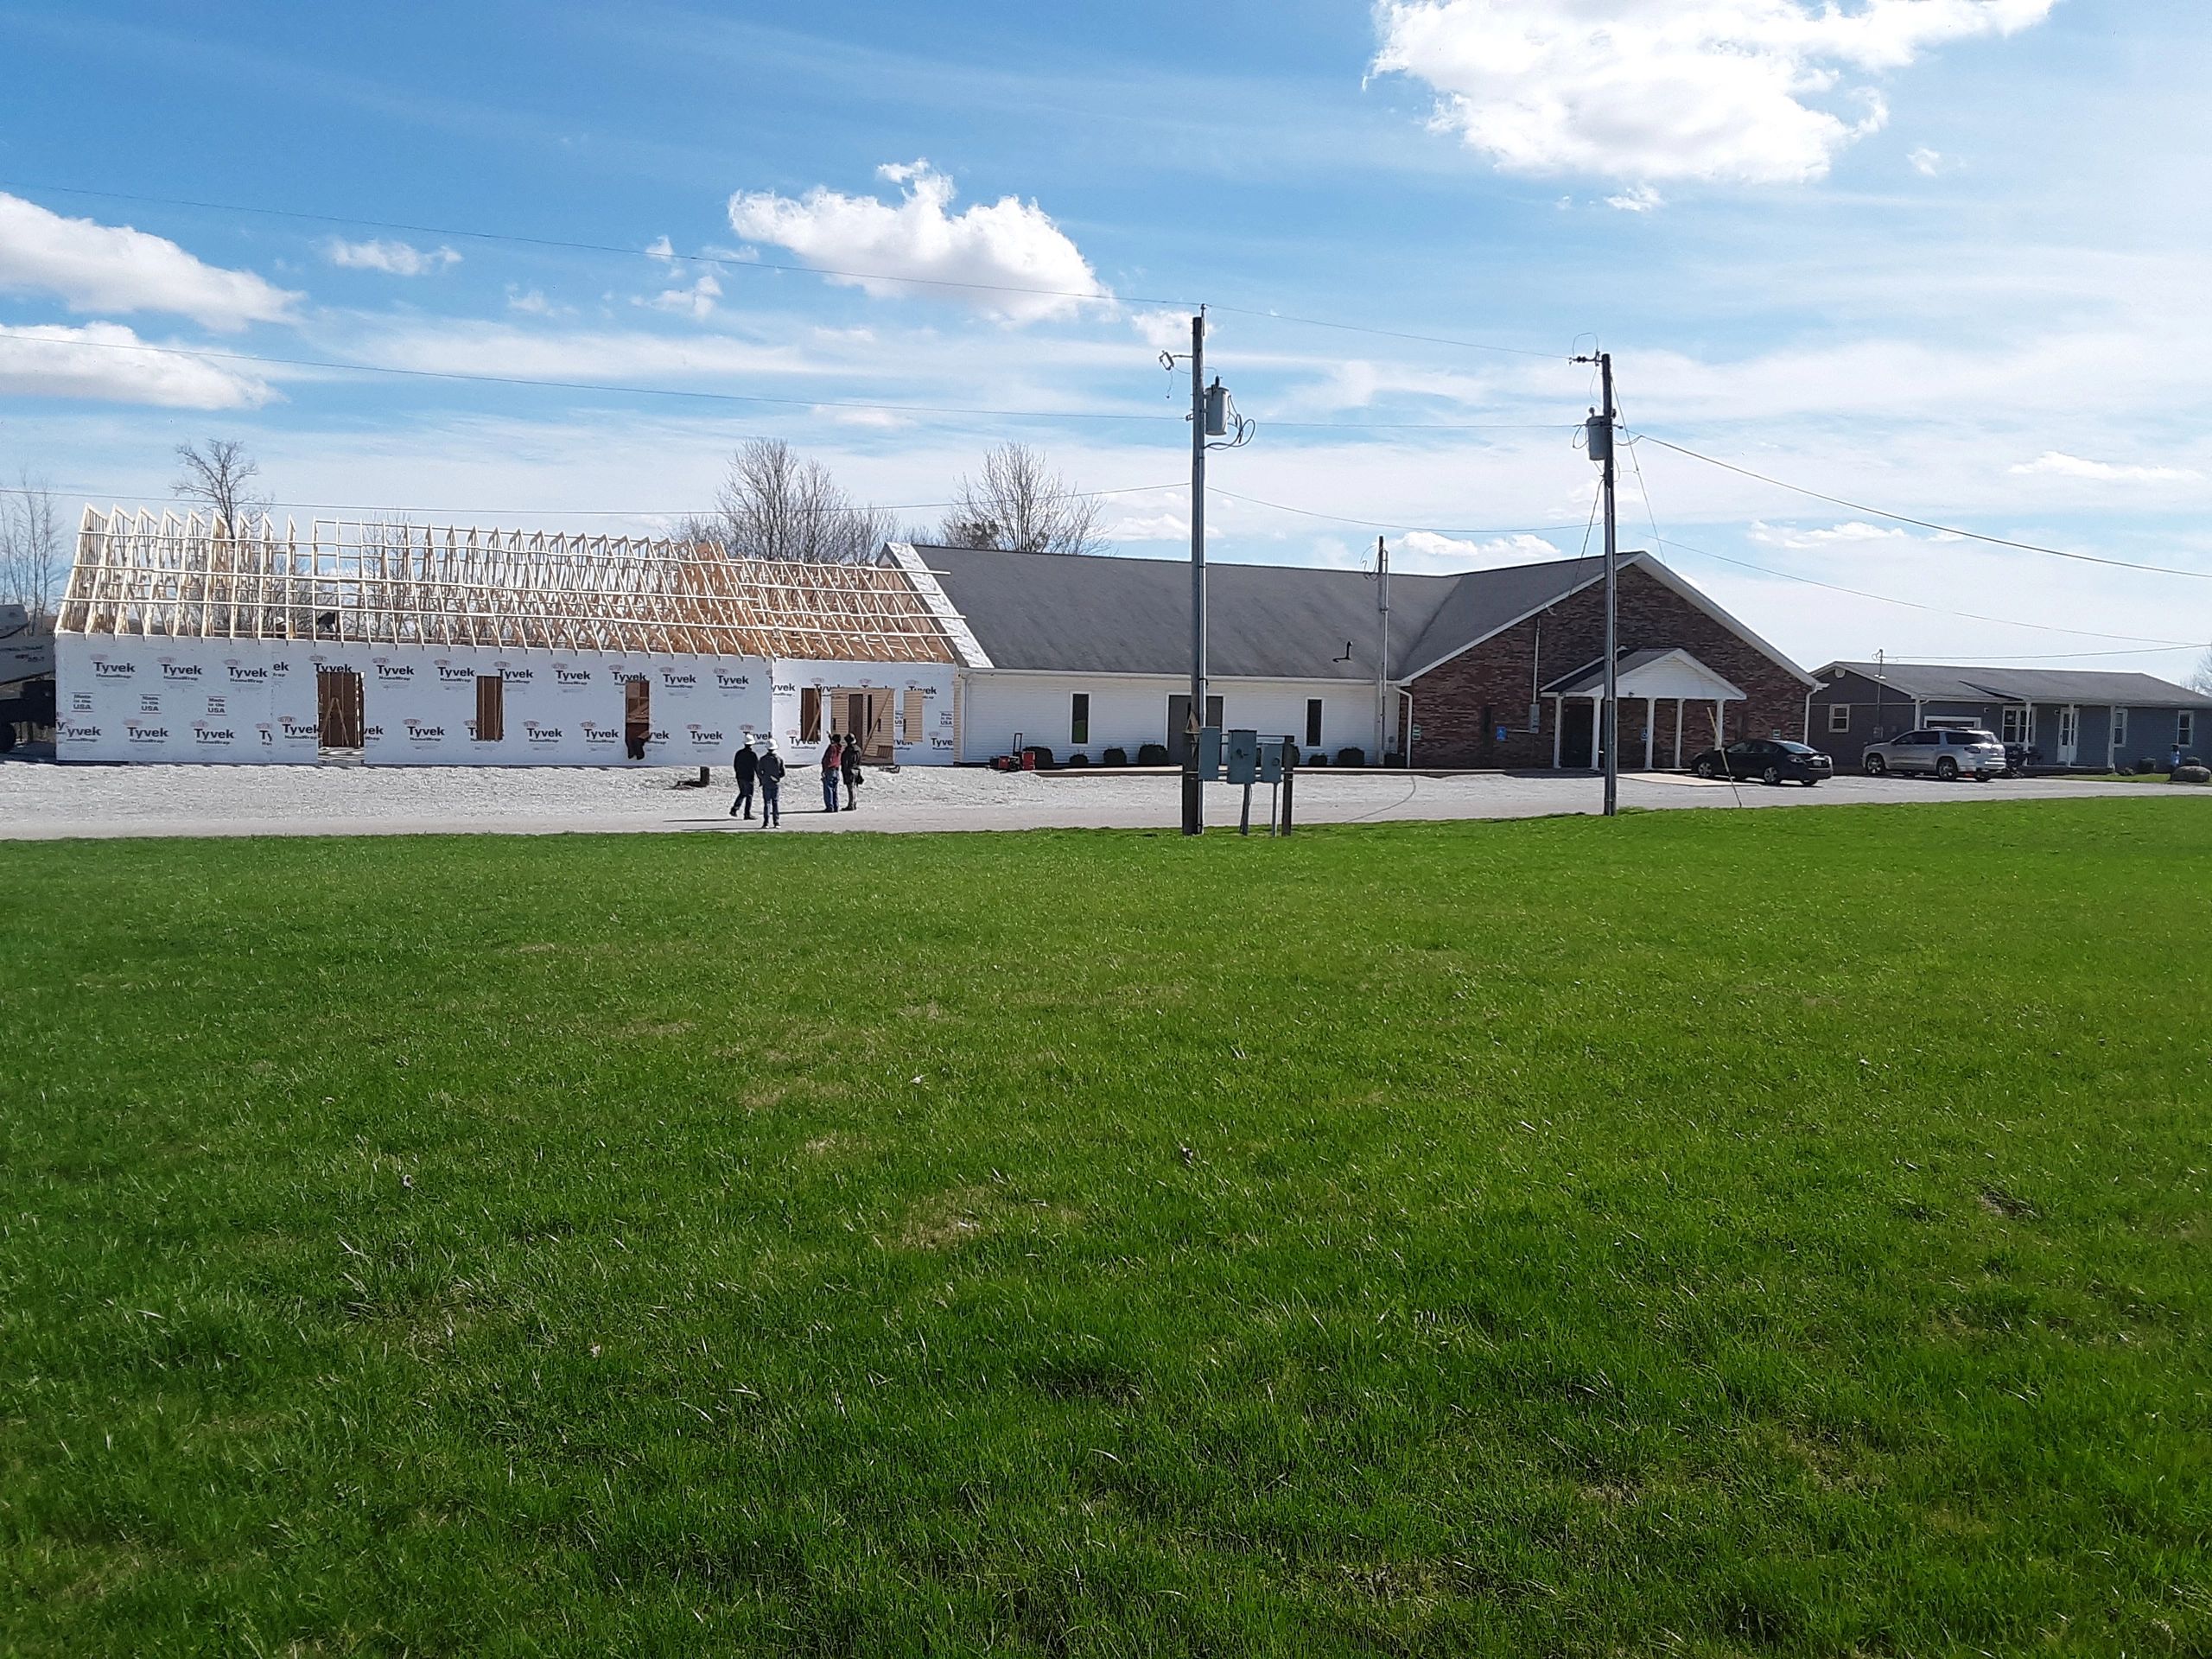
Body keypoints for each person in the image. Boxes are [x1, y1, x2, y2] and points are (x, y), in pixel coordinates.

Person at [755, 742, 784, 827]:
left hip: (766, 783)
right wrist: (776, 778)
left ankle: (766, 822)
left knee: (767, 803)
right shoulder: (779, 759)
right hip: (775, 784)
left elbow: (759, 771)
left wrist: (764, 778)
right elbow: (783, 773)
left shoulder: (763, 759)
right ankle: (776, 822)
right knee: (775, 802)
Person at [729, 735, 759, 819]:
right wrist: (760, 778)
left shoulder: (739, 753)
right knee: (749, 795)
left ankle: (735, 808)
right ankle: (747, 813)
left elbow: (735, 765)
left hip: (740, 776)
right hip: (749, 777)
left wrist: (738, 773)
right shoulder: (752, 755)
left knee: (743, 793)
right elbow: (757, 767)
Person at [840, 730, 863, 810]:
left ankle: (851, 804)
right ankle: (854, 803)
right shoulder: (859, 749)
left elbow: (844, 762)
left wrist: (844, 771)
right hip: (857, 769)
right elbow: (860, 760)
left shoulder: (848, 751)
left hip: (850, 770)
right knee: (855, 788)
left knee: (850, 788)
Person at [821, 734, 842, 812]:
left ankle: (830, 806)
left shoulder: (831, 748)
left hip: (830, 769)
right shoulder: (839, 748)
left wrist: (824, 769)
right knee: (835, 789)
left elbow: (828, 759)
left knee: (828, 788)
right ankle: (836, 805)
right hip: (837, 769)